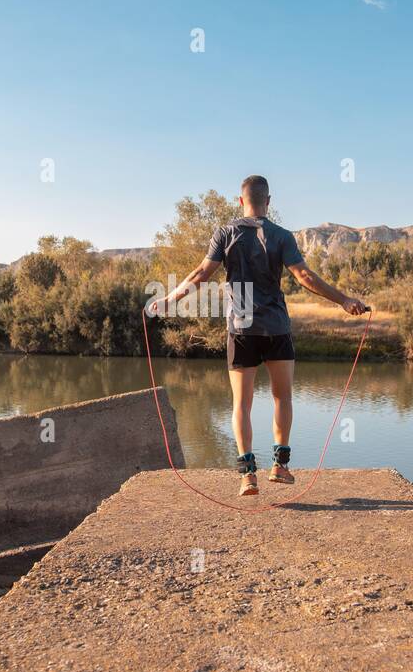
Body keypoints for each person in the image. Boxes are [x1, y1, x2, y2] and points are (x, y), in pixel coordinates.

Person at [148, 175, 367, 496]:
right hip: (276, 327)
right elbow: (304, 275)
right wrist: (344, 300)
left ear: (241, 201)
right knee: (282, 397)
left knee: (242, 403)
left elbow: (200, 274)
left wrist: (169, 300)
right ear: (269, 201)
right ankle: (280, 466)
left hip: (241, 328)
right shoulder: (282, 236)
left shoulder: (225, 233)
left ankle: (247, 475)